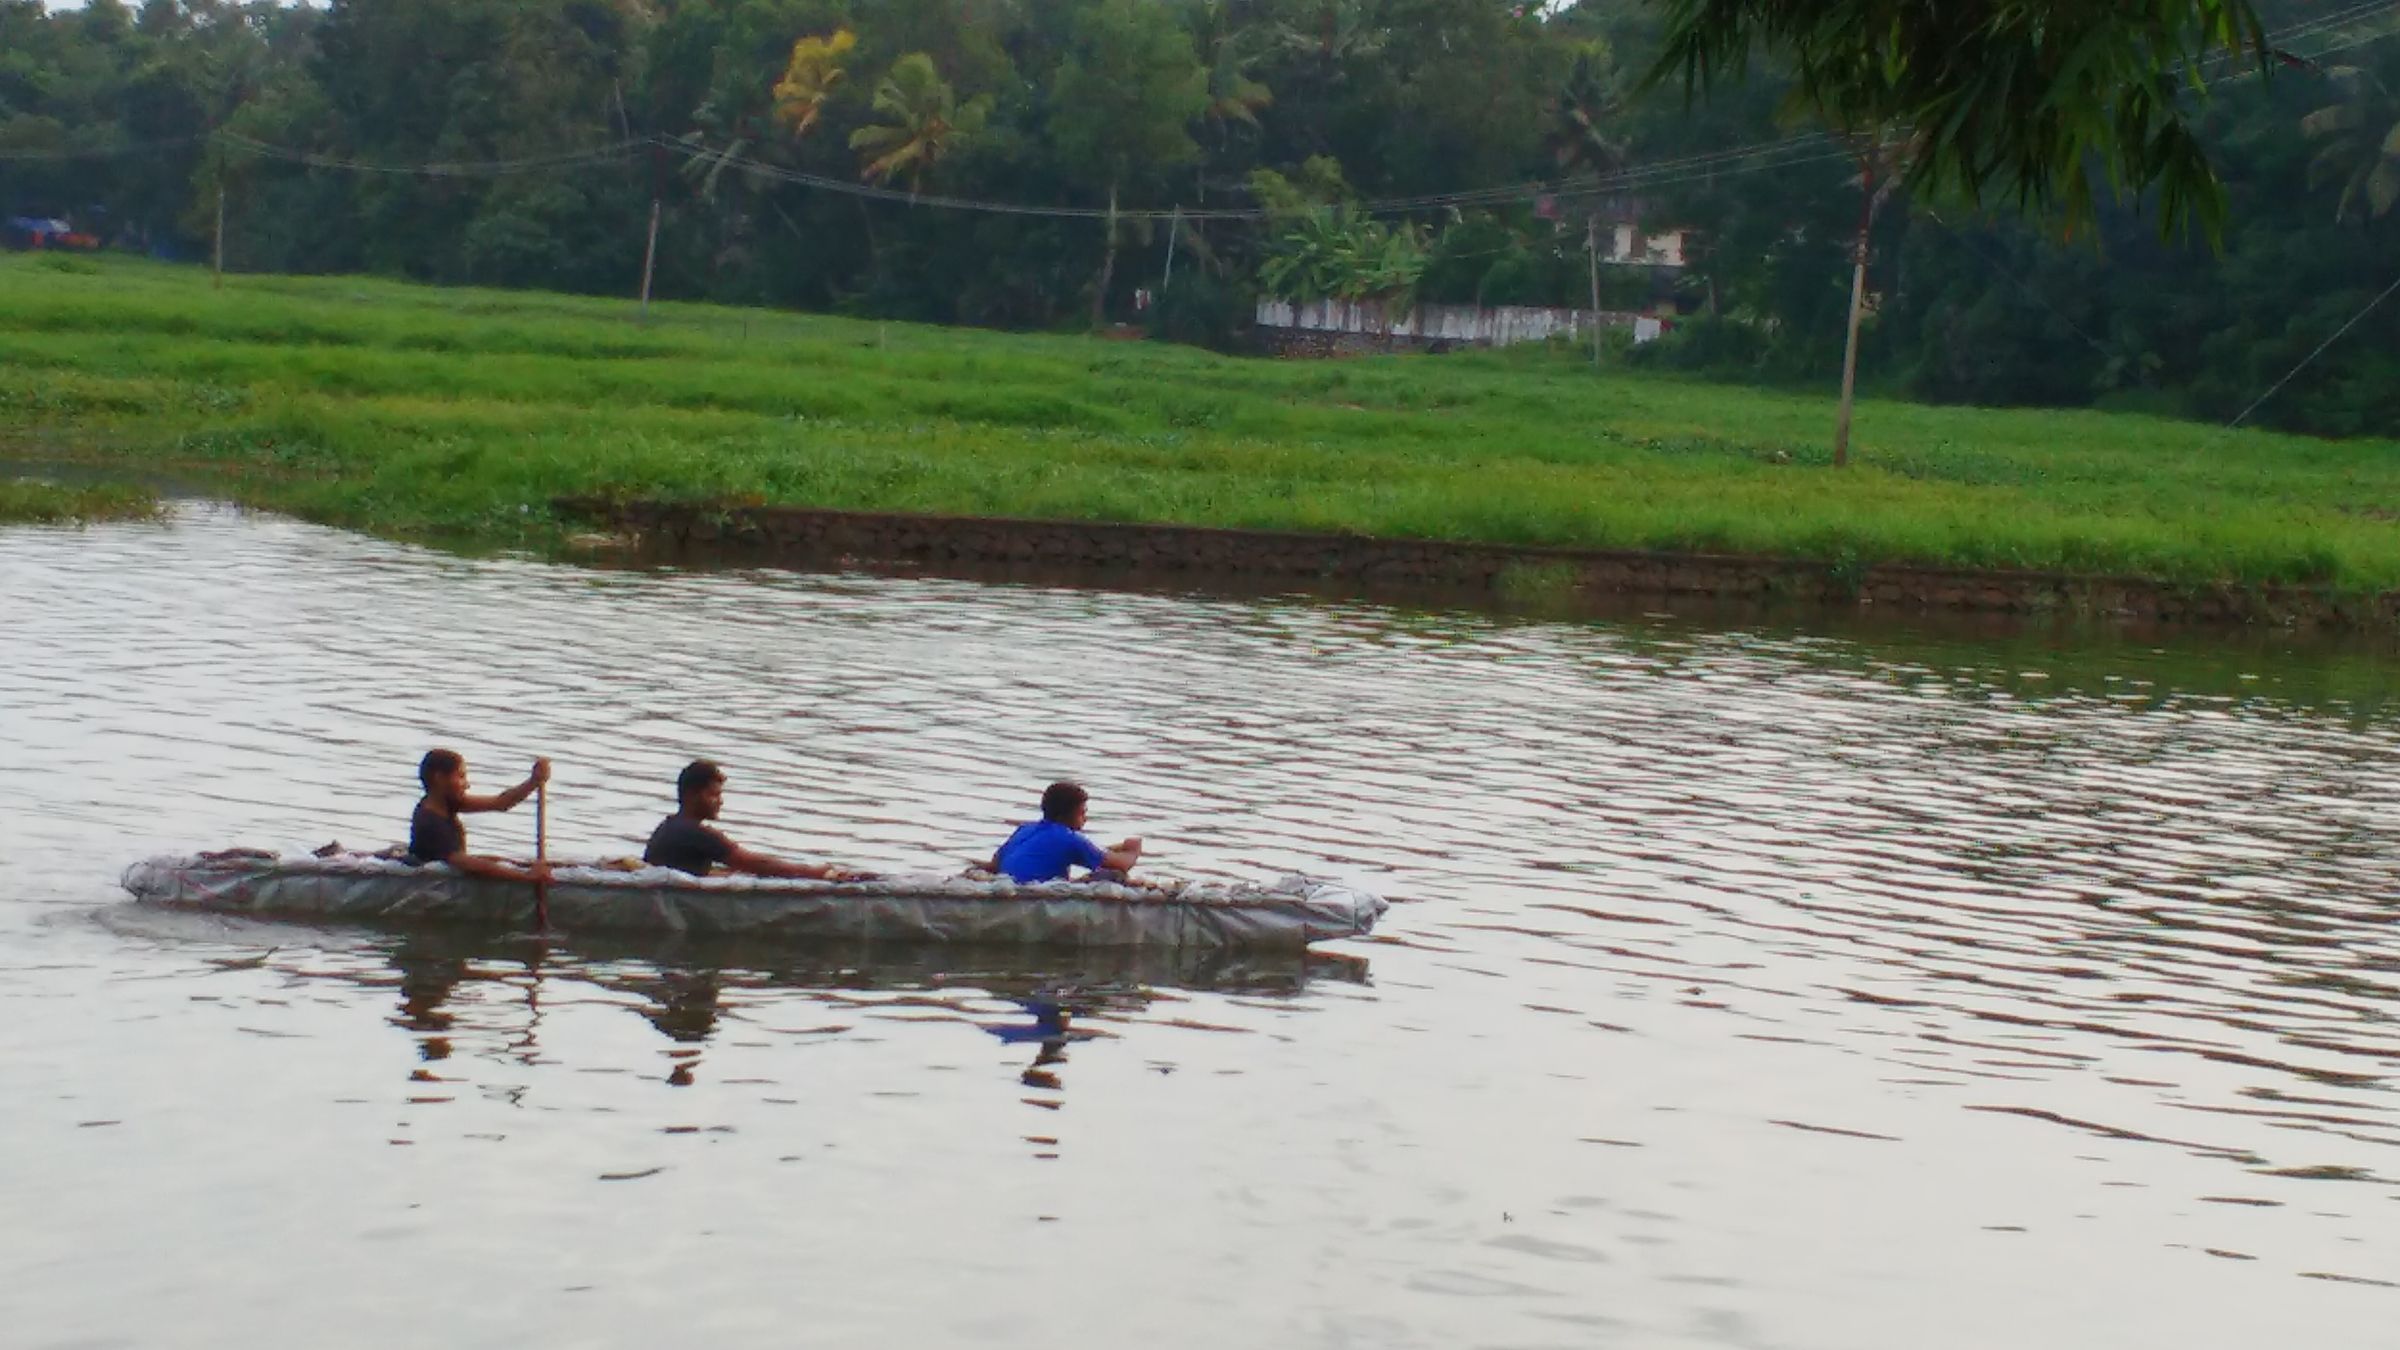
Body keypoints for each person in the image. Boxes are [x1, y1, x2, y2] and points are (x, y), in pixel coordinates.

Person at [644, 760, 868, 881]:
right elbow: (756, 863)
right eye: (714, 795)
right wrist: (813, 872)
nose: (720, 802)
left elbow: (697, 873)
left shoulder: (669, 826)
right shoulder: (696, 834)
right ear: (693, 795)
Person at [408, 749, 552, 883]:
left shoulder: (449, 803)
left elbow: (501, 803)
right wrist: (526, 877)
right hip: (434, 883)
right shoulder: (429, 821)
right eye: (461, 776)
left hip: (451, 871)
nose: (467, 785)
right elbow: (466, 864)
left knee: (501, 860)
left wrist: (534, 781)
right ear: (439, 778)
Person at [988, 782, 1142, 884]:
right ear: (1067, 815)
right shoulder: (1069, 839)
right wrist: (1133, 850)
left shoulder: (1025, 830)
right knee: (1115, 875)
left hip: (1011, 885)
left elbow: (995, 864)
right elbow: (1122, 864)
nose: (1085, 819)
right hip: (1035, 892)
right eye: (1082, 813)